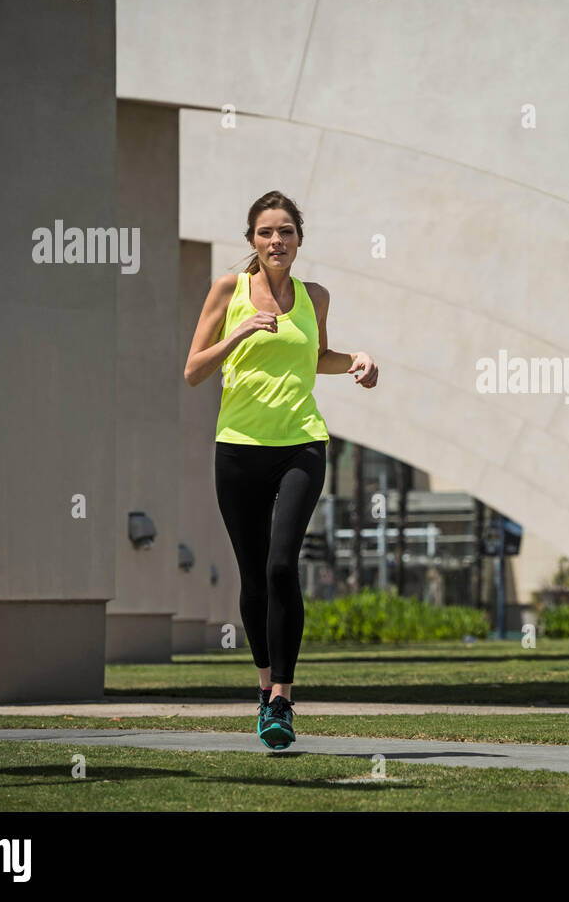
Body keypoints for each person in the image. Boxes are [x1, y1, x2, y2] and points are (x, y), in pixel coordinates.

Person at [184, 190, 378, 749]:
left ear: (299, 239)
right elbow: (194, 369)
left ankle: (282, 700)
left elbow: (317, 358)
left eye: (287, 231)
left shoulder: (314, 296)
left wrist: (358, 362)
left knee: (279, 567)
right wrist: (240, 331)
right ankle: (263, 684)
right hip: (238, 447)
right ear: (252, 240)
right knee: (251, 573)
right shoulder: (229, 290)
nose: (277, 241)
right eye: (267, 232)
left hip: (301, 443)